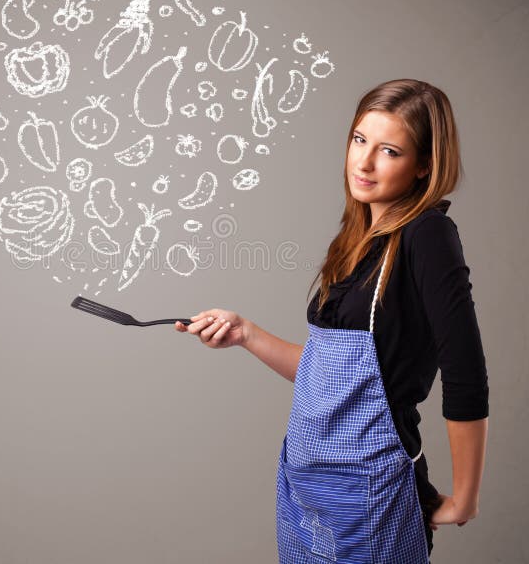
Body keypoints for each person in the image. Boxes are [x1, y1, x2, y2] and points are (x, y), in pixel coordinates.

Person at [174, 79, 489, 562]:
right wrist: (246, 334)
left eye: (389, 151)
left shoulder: (428, 235)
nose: (363, 162)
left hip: (371, 490)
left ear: (425, 165)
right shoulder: (358, 239)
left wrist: (464, 499)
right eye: (359, 140)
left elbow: (466, 374)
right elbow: (333, 377)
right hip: (308, 486)